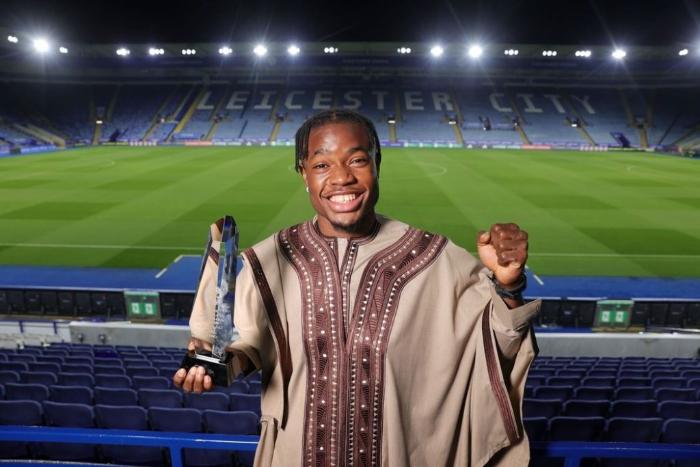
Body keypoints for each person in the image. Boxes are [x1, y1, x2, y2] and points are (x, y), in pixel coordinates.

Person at [174, 109, 540, 467]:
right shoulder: (269, 259)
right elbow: (247, 350)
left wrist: (508, 286)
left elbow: (497, 348)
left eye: (358, 160)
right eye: (321, 165)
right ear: (303, 173)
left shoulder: (436, 258)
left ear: (378, 164)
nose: (340, 178)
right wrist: (211, 363)